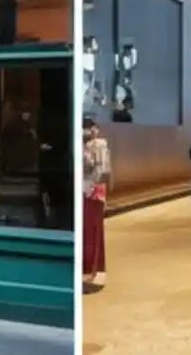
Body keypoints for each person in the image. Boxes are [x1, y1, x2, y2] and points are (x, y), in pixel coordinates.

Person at [81, 117, 111, 293]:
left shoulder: (99, 145)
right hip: (90, 192)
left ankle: (92, 268)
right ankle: (90, 268)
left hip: (92, 192)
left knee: (92, 230)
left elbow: (99, 169)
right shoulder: (92, 145)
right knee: (90, 230)